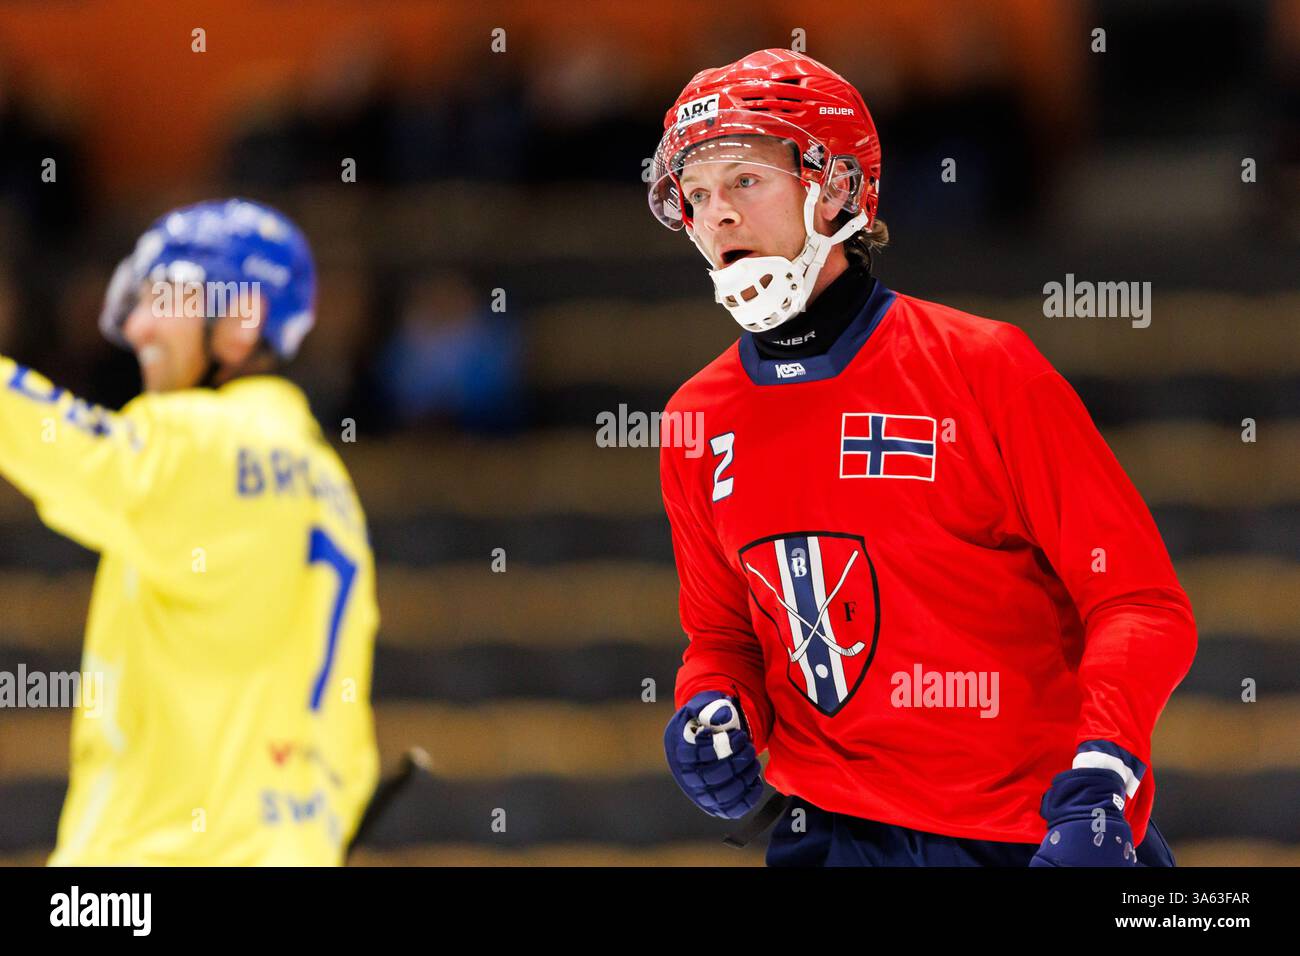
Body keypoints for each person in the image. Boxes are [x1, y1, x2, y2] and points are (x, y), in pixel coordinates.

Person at [649, 50, 1196, 866]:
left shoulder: (985, 367)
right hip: (829, 837)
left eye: (745, 181)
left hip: (1037, 837)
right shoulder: (695, 418)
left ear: (833, 187)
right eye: (695, 194)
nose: (716, 214)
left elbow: (1141, 602)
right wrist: (712, 709)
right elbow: (725, 634)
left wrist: (1105, 773)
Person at [0, 198, 379, 864]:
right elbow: (353, 764)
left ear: (241, 318)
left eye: (165, 298)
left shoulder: (209, 442)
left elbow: (66, 450)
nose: (138, 325)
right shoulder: (331, 486)